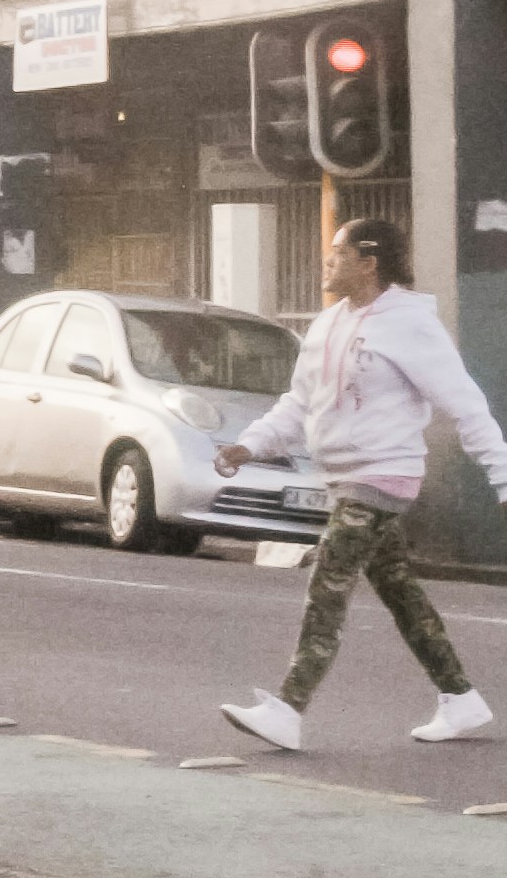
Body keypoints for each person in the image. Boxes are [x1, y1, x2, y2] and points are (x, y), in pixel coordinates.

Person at [216, 215, 506, 752]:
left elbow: (465, 404)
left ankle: (288, 709)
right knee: (399, 591)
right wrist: (250, 445)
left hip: (384, 473)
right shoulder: (327, 325)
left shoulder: (410, 325)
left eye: (338, 253)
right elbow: (298, 405)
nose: (327, 261)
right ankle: (461, 698)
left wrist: (503, 477)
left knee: (329, 580)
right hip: (341, 477)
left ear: (369, 263)